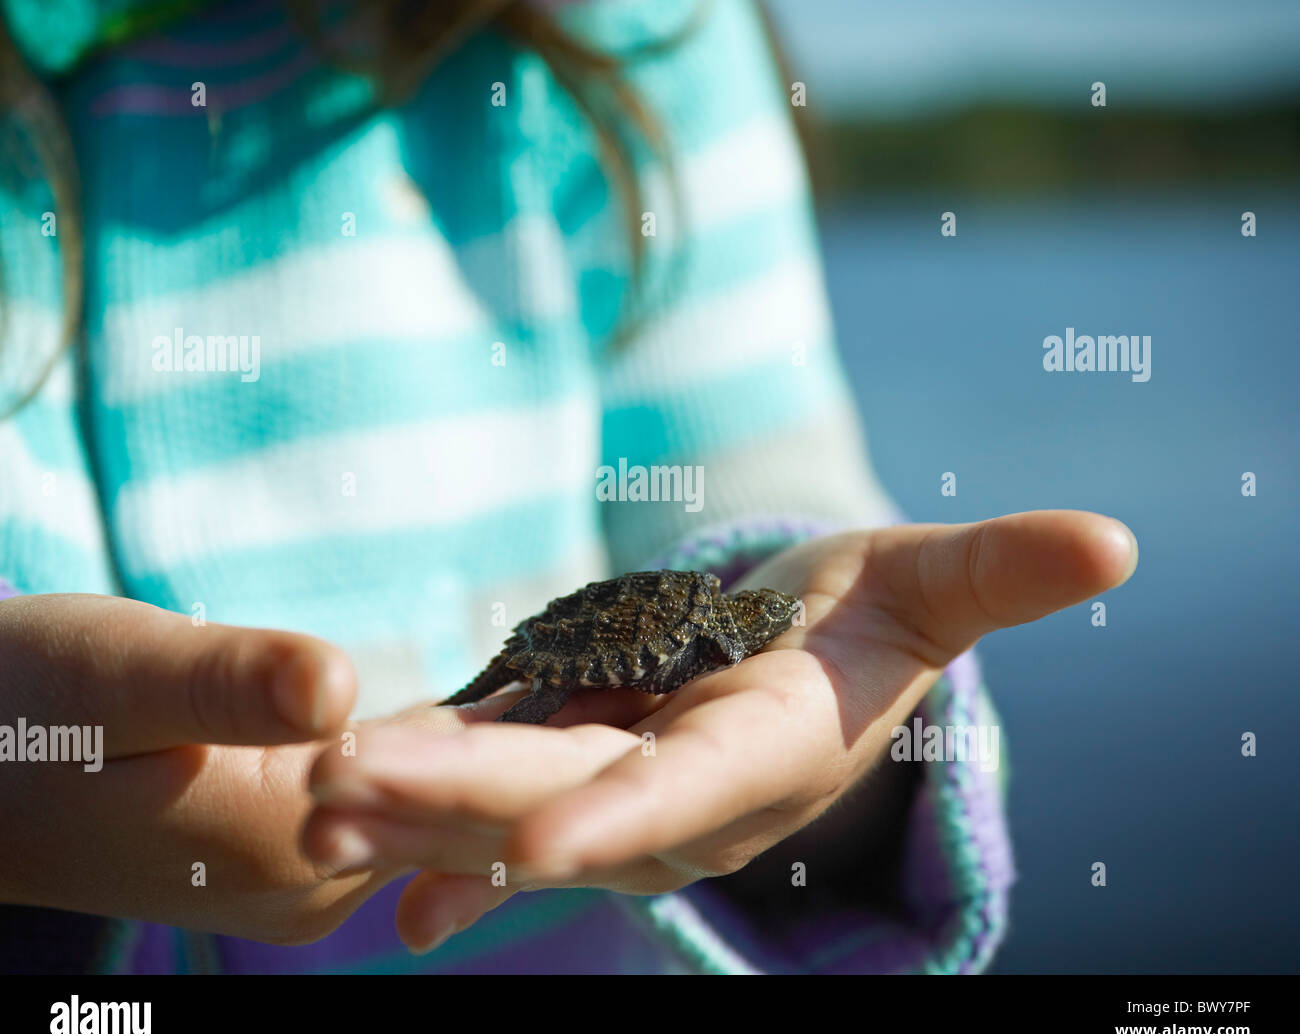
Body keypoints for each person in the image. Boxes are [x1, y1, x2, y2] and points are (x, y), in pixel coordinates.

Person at [0, 0, 1136, 974]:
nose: (764, 629)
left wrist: (842, 763)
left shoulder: (636, 30)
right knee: (527, 689)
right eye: (759, 627)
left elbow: (742, 485)